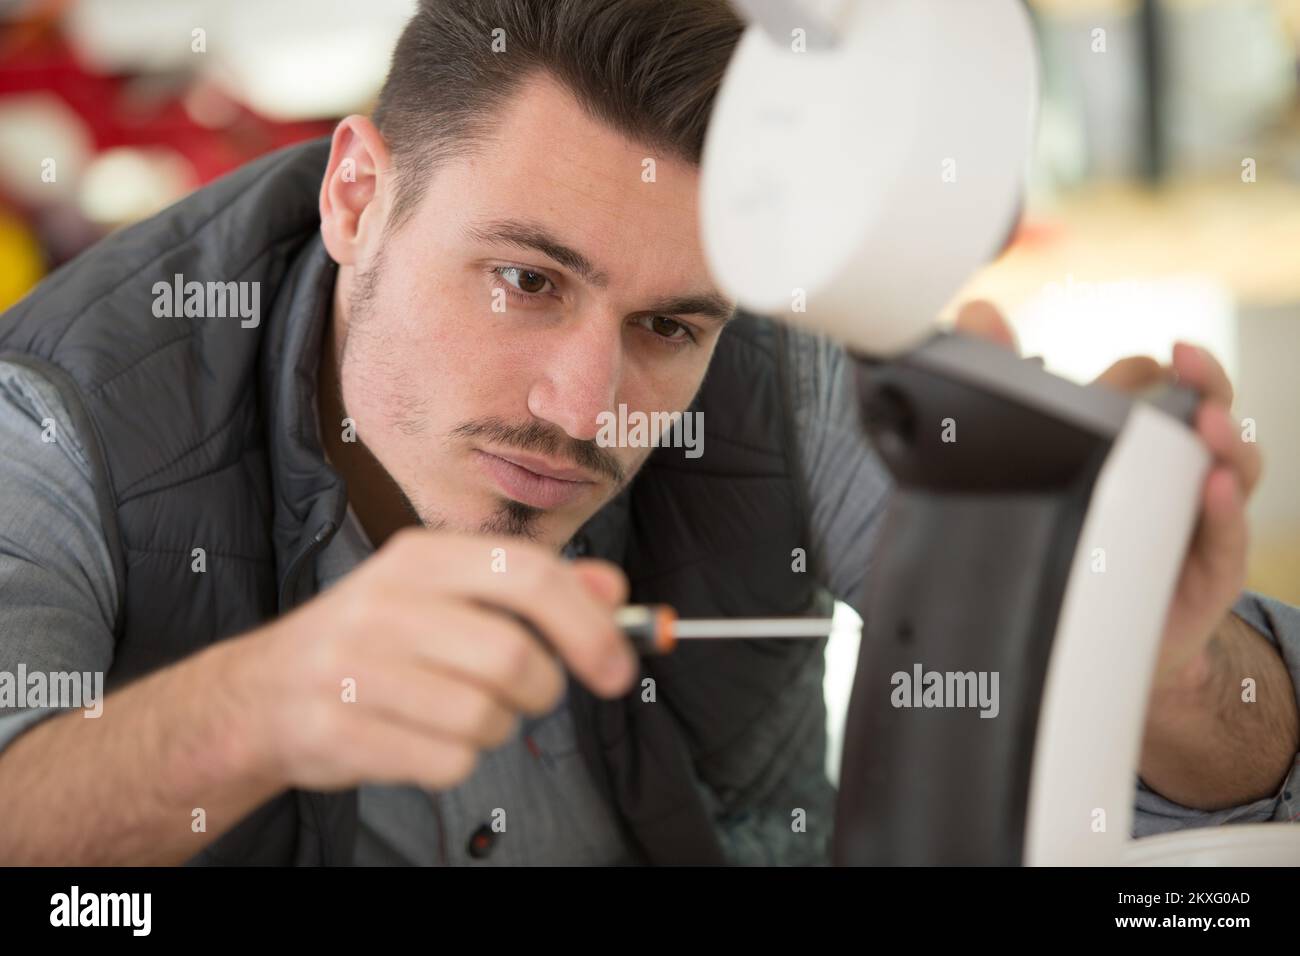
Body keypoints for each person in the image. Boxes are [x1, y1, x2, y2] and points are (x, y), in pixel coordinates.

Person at [0, 0, 1295, 866]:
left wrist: (1152, 659)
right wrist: (264, 706)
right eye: (525, 282)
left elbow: (1206, 735)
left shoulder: (777, 351)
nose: (587, 406)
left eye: (670, 326)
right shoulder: (60, 413)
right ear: (356, 194)